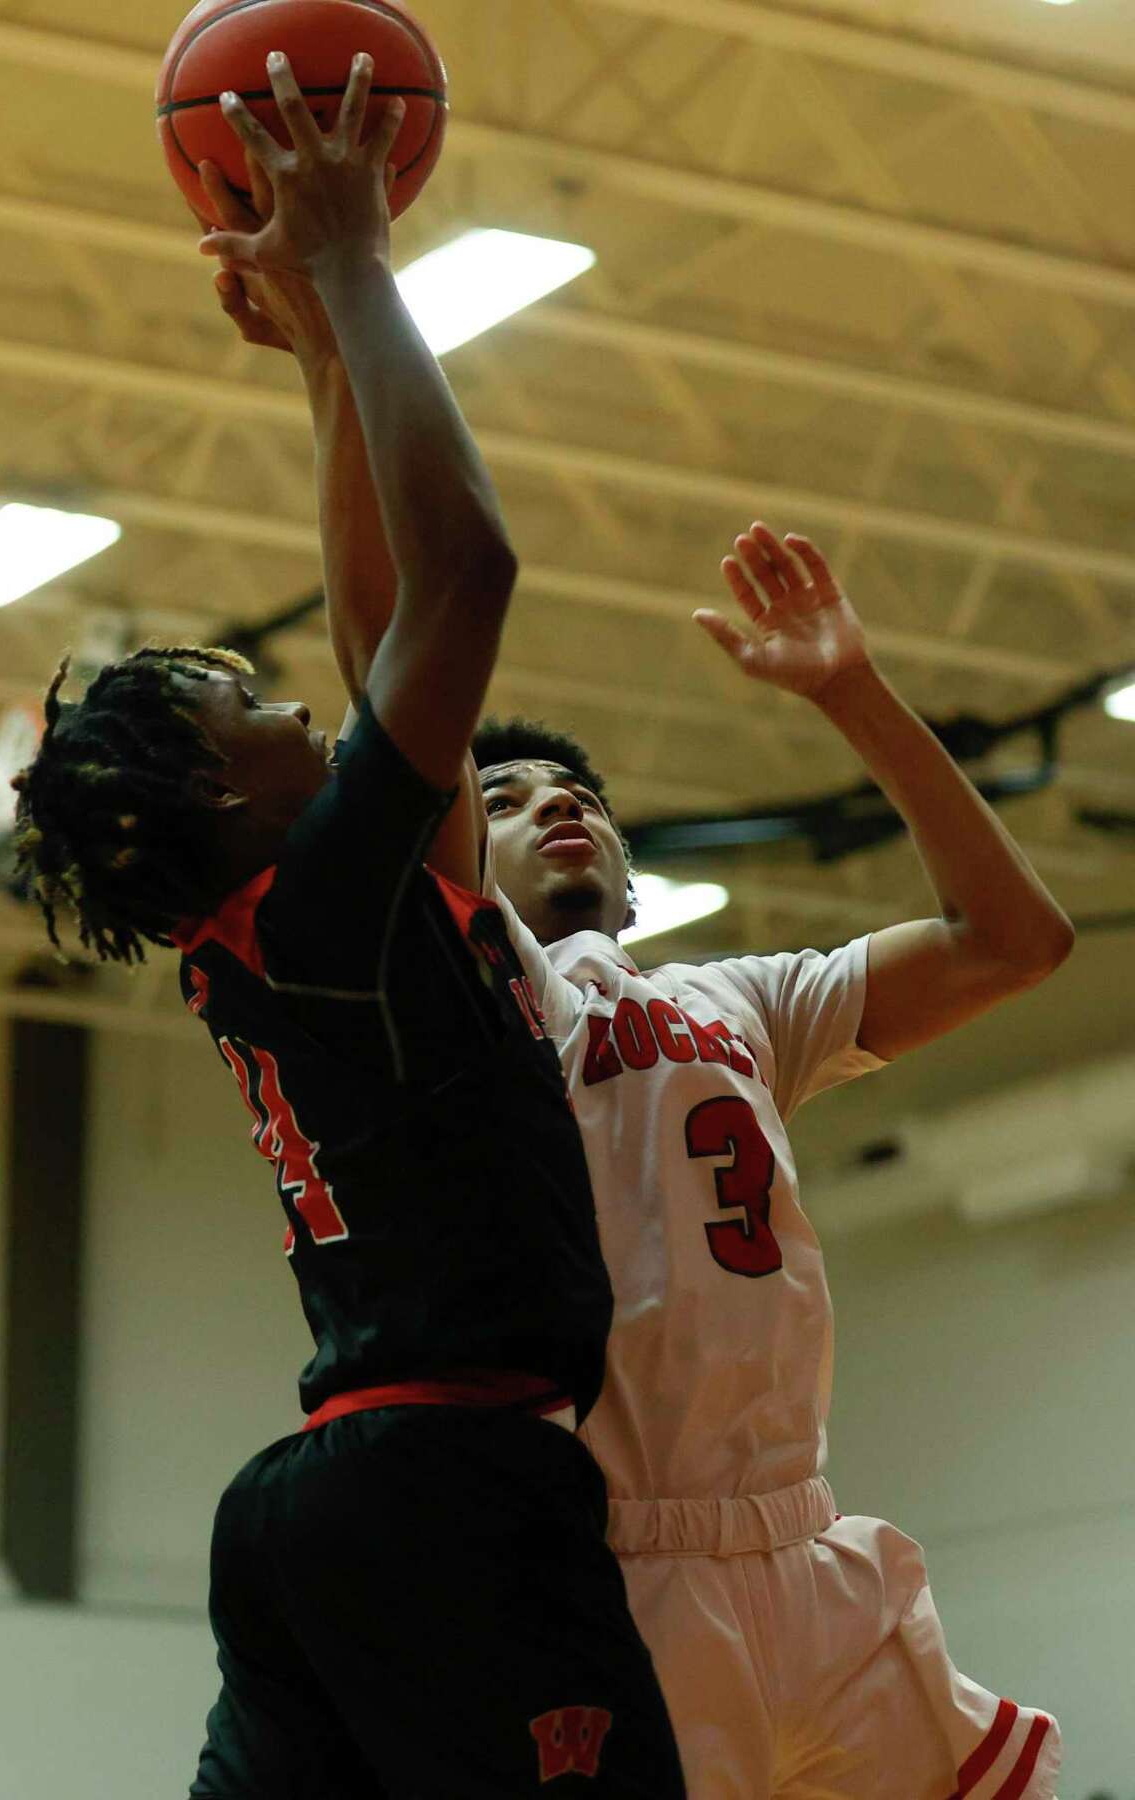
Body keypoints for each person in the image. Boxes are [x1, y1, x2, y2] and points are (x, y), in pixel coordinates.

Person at [214, 226, 1073, 1792]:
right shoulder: (480, 987)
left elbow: (1015, 939)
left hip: (814, 1543)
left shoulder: (740, 998)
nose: (559, 811)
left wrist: (851, 696)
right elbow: (396, 640)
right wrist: (333, 361)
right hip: (608, 1557)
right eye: (513, 792)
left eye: (585, 797)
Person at [13, 53, 686, 1800]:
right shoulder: (320, 902)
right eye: (248, 700)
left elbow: (388, 627)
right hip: (456, 1498)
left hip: (329, 1501)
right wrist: (364, 266)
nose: (301, 701)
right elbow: (461, 581)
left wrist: (324, 354)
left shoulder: (295, 920)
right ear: (222, 799)